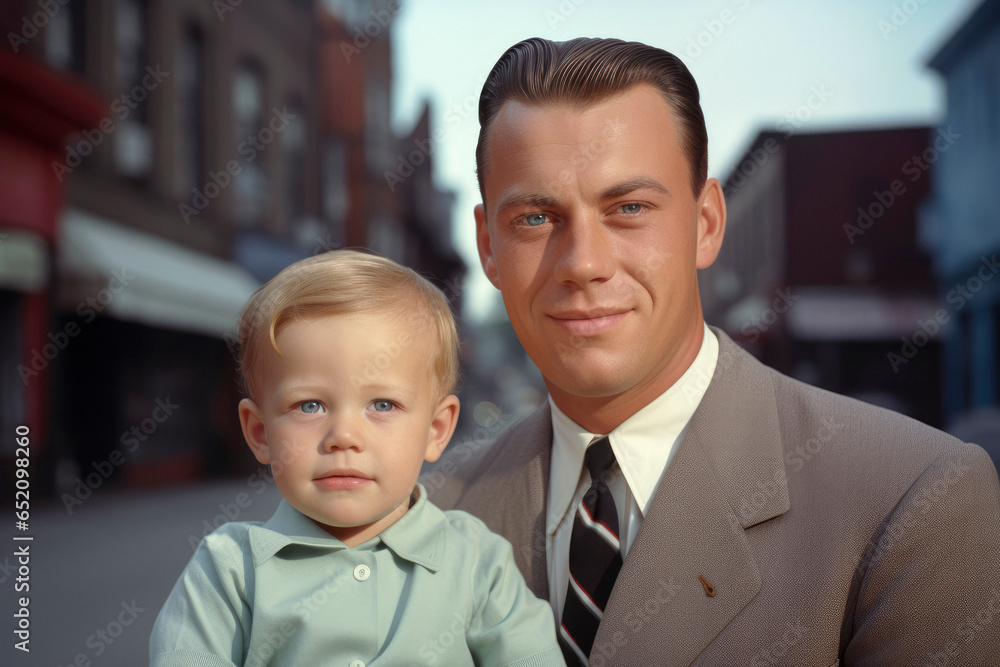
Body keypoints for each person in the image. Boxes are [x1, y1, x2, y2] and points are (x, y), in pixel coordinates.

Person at [426, 37, 1000, 666]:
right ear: (487, 246)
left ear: (705, 224)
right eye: (535, 219)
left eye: (629, 208)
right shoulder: (428, 511)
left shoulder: (911, 502)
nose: (583, 263)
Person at [150, 250, 565, 667]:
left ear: (436, 430)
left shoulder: (477, 561)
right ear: (260, 433)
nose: (344, 437)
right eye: (309, 406)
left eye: (382, 405)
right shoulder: (229, 570)